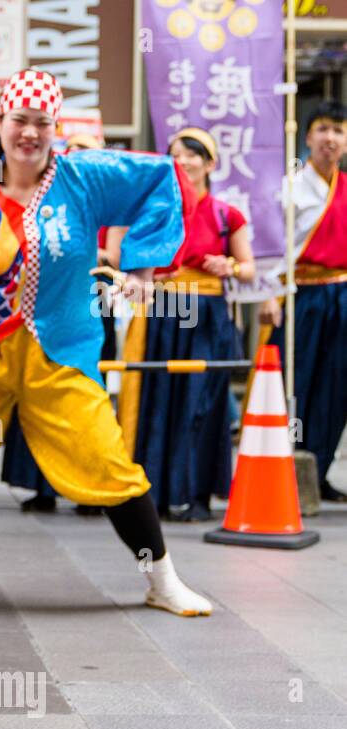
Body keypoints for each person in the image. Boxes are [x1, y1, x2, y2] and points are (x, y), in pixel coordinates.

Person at [0, 70, 213, 618]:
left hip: (64, 350)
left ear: (56, 127)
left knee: (109, 462)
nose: (29, 133)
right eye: (19, 121)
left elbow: (164, 178)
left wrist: (143, 264)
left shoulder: (84, 178)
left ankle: (162, 581)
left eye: (41, 123)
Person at [108, 128, 253, 521]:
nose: (185, 161)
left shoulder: (227, 214)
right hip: (162, 308)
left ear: (211, 163)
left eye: (193, 155)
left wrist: (231, 266)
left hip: (206, 314)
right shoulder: (156, 208)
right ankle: (150, 494)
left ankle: (199, 493)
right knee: (157, 399)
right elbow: (125, 253)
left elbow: (249, 268)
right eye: (177, 154)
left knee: (201, 403)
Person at [1, 130, 113, 514]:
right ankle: (40, 486)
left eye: (87, 154)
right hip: (39, 306)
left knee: (81, 399)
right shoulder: (43, 197)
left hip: (86, 308)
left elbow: (112, 254)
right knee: (33, 394)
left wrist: (75, 251)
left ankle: (91, 489)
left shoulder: (101, 203)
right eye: (72, 152)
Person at [261, 100, 347, 502]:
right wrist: (270, 294)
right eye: (324, 129)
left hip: (342, 297)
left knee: (336, 385)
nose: (331, 138)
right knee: (296, 381)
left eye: (339, 131)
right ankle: (283, 469)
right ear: (308, 136)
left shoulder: (344, 189)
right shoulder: (290, 188)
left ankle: (320, 470)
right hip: (300, 296)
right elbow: (272, 248)